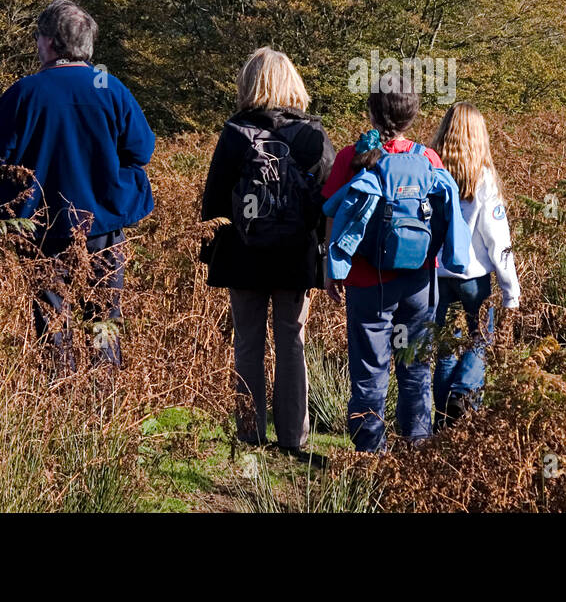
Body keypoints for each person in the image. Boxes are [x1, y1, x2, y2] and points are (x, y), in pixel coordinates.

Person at [0, 0, 155, 371]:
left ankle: (59, 407)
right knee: (104, 319)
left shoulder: (25, 92)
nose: (36, 45)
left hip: (41, 229)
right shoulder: (109, 86)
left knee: (52, 324)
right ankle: (103, 407)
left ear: (52, 43)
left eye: (39, 37)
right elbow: (141, 149)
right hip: (103, 226)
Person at [321, 73, 470, 452]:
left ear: (371, 112)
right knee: (415, 368)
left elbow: (331, 217)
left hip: (367, 283)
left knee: (370, 371)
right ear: (413, 115)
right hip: (419, 282)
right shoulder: (429, 158)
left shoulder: (351, 158)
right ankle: (415, 451)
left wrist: (331, 269)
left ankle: (370, 455)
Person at [200, 48, 334, 463]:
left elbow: (215, 201)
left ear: (249, 82)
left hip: (244, 254)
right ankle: (294, 436)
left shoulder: (236, 132)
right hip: (296, 256)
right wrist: (323, 254)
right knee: (292, 340)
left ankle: (249, 431)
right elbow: (329, 200)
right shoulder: (313, 134)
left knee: (247, 341)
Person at [429, 102, 520, 428]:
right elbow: (498, 240)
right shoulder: (483, 179)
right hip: (473, 280)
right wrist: (511, 291)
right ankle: (464, 398)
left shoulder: (430, 171)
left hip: (437, 277)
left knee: (445, 352)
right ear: (478, 136)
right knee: (480, 341)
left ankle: (441, 425)